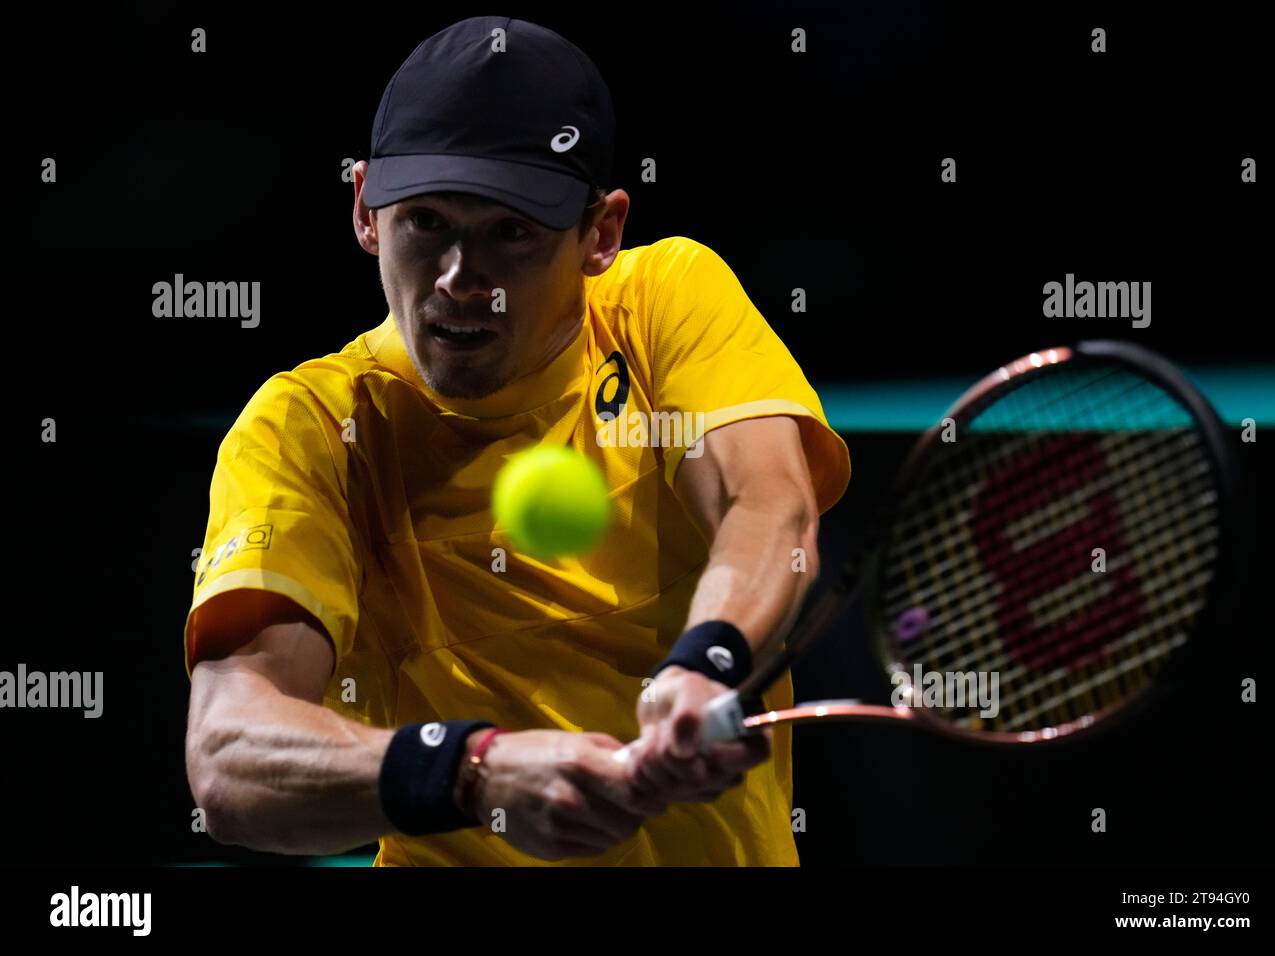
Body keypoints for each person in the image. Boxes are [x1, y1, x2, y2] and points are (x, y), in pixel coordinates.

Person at [183, 15, 850, 865]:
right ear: (364, 209)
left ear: (601, 234)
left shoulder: (664, 302)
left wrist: (703, 663)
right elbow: (228, 759)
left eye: (512, 232)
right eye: (426, 222)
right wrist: (471, 773)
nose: (462, 280)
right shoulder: (311, 427)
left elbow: (769, 505)